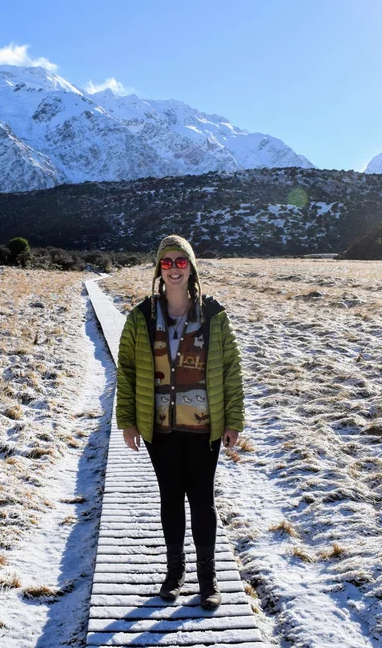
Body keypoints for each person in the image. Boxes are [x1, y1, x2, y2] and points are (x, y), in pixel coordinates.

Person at [115, 234, 245, 610]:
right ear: (159, 269)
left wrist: (233, 420)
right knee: (170, 499)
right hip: (160, 428)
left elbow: (232, 370)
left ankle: (208, 580)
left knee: (202, 501)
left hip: (204, 427)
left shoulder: (214, 316)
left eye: (181, 261)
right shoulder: (140, 318)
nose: (174, 269)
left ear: (192, 268)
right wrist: (128, 421)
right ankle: (174, 574)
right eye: (167, 262)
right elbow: (126, 372)